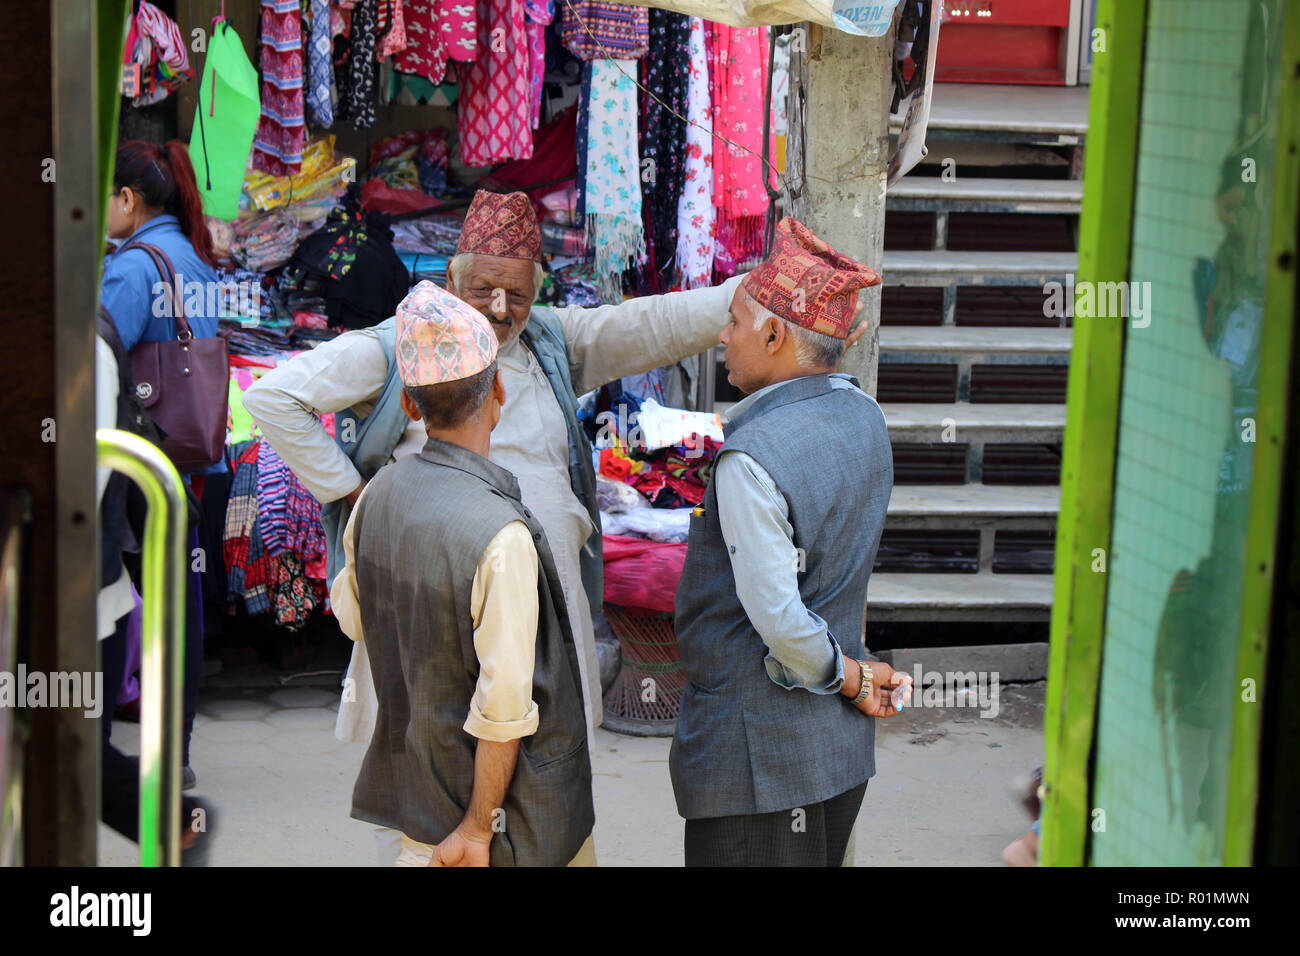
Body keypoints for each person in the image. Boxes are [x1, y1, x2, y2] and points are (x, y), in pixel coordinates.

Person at [243, 190, 752, 739]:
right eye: (484, 289)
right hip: (436, 603)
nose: (501, 309)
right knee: (439, 765)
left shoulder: (552, 341)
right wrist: (354, 494)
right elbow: (273, 398)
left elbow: (653, 323)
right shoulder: (402, 346)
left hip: (545, 599)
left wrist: (750, 293)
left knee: (549, 770)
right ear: (451, 277)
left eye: (519, 294)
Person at [669, 218, 912, 867]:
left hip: (758, 767)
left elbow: (780, 618)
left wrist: (851, 676)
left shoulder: (752, 460)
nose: (723, 336)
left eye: (736, 322)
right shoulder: (865, 416)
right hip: (834, 755)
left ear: (775, 334)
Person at [331, 283, 594, 866]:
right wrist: (478, 828)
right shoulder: (502, 534)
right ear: (499, 390)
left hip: (418, 797)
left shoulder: (374, 498)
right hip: (496, 827)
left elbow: (355, 618)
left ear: (408, 405)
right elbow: (503, 708)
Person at [101, 139, 224, 791]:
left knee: (110, 595)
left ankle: (99, 751)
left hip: (136, 454)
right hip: (188, 455)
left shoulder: (132, 267)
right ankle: (173, 752)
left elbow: (98, 358)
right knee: (178, 602)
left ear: (128, 199)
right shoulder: (195, 260)